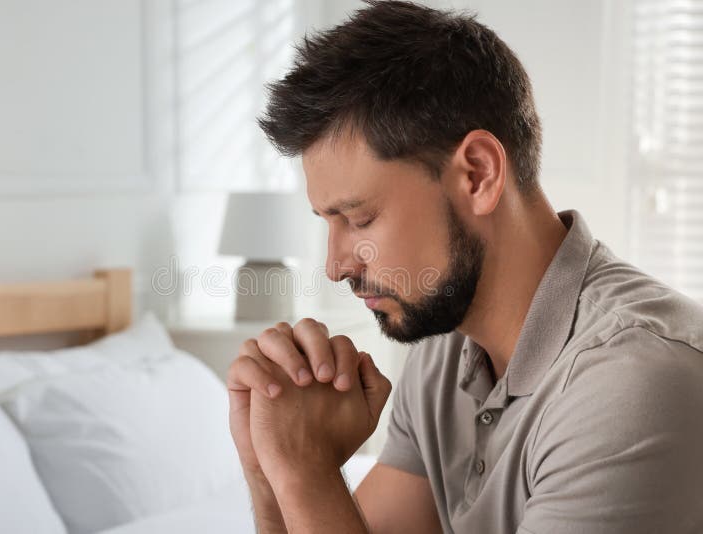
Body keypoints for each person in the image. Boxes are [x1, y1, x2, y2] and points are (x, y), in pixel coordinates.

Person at [226, 1, 703, 533]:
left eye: (359, 218)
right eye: (326, 221)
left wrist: (306, 472)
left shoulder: (631, 383)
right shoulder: (442, 352)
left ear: (477, 175)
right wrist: (271, 471)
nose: (335, 266)